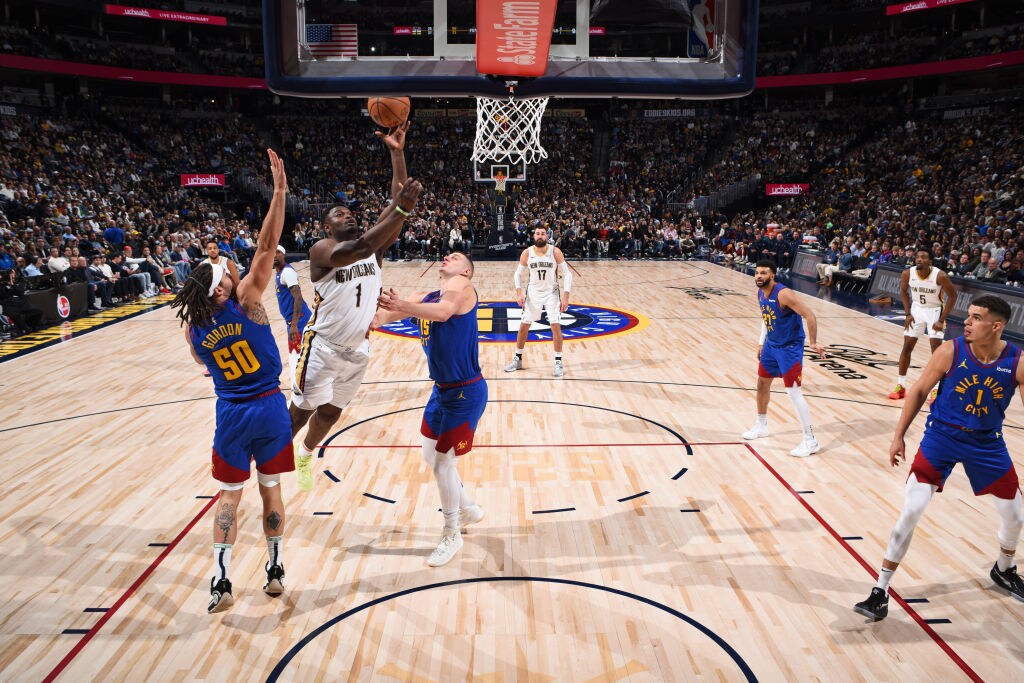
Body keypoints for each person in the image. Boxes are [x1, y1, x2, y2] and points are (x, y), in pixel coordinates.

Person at [169, 149, 293, 614]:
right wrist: (278, 193)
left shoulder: (193, 328)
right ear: (222, 284)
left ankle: (221, 579)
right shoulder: (246, 300)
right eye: (226, 272)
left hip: (231, 414)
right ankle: (275, 568)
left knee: (228, 497)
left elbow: (206, 362)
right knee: (272, 491)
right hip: (269, 408)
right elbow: (266, 246)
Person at [854, 295, 1024, 620]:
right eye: (969, 316)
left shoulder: (1017, 361)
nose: (967, 323)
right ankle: (880, 591)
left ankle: (1004, 569)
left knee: (1015, 515)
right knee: (911, 510)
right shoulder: (951, 350)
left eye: (976, 318)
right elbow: (917, 391)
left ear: (996, 326)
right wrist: (898, 436)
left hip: (987, 443)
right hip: (941, 438)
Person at [290, 123, 418, 492]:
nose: (347, 216)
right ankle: (263, 464)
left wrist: (396, 152)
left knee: (331, 413)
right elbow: (361, 246)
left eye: (349, 212)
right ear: (326, 227)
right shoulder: (322, 250)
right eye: (339, 214)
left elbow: (396, 201)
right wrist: (402, 212)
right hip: (322, 348)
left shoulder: (373, 248)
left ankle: (305, 455)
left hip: (357, 350)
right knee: (300, 412)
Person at [376, 251, 487, 567]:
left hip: (466, 392)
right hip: (441, 392)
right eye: (447, 256)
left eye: (455, 258)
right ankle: (468, 508)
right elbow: (385, 317)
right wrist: (368, 317)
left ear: (466, 270)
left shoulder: (461, 286)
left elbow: (443, 312)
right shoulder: (426, 295)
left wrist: (404, 306)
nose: (447, 258)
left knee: (442, 463)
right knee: (430, 455)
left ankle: (452, 533)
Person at [742, 260, 826, 457]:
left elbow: (810, 315)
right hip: (772, 345)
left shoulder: (784, 294)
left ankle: (810, 440)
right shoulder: (761, 292)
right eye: (756, 273)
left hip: (789, 348)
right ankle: (761, 425)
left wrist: (813, 342)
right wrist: (761, 342)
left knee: (793, 392)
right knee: (762, 383)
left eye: (763, 273)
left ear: (773, 275)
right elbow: (766, 316)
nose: (759, 276)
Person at [503, 226, 573, 377]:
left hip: (551, 293)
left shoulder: (554, 252)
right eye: (537, 234)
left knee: (555, 325)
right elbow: (518, 274)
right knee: (524, 326)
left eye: (542, 234)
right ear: (533, 236)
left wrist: (566, 296)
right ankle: (518, 358)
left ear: (547, 236)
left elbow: (567, 274)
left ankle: (558, 361)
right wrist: (519, 292)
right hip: (533, 293)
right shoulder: (527, 252)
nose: (540, 236)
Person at [888, 248, 957, 401]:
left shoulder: (940, 276)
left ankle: (936, 389)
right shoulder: (908, 273)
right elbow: (904, 292)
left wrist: (941, 320)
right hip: (916, 310)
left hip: (934, 312)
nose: (919, 259)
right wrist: (907, 314)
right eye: (917, 257)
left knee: (936, 352)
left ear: (930, 261)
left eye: (923, 257)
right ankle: (901, 386)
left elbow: (953, 296)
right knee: (907, 347)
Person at [273, 245, 311, 386]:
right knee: (299, 356)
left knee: (297, 357)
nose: (275, 255)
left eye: (278, 253)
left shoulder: (287, 272)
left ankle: (298, 389)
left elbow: (298, 298)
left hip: (299, 321)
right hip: (295, 321)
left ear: (284, 255)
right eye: (272, 253)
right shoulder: (279, 272)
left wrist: (294, 324)